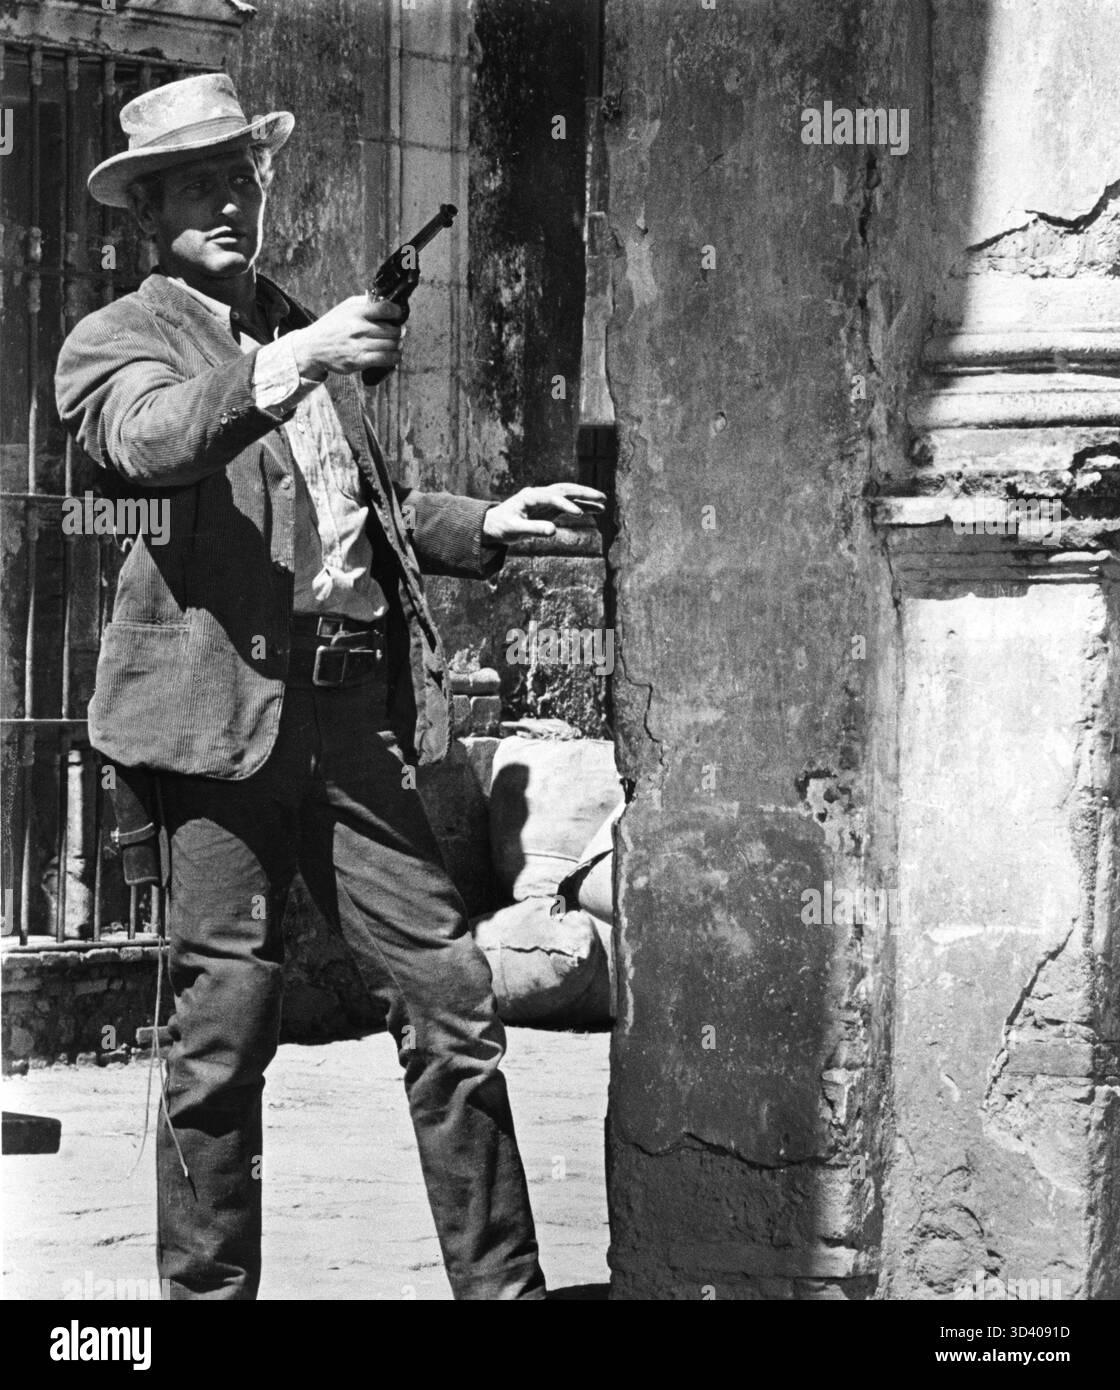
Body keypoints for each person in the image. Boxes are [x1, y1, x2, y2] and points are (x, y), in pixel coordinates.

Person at [55, 72, 605, 1301]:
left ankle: (504, 1292)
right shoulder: (117, 339)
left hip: (352, 723)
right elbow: (150, 443)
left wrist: (489, 520)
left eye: (239, 175)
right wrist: (299, 357)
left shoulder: (296, 322)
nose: (230, 200)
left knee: (455, 1002)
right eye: (196, 185)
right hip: (214, 734)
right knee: (221, 1034)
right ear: (151, 213)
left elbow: (367, 511)